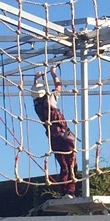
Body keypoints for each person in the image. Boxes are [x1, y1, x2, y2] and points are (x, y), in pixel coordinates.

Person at [33, 68, 77, 198]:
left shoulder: (36, 105)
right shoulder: (50, 99)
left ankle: (66, 192)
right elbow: (58, 86)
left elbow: (36, 91)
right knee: (72, 164)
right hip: (65, 136)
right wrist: (53, 73)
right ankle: (71, 191)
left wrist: (36, 79)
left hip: (53, 138)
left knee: (63, 165)